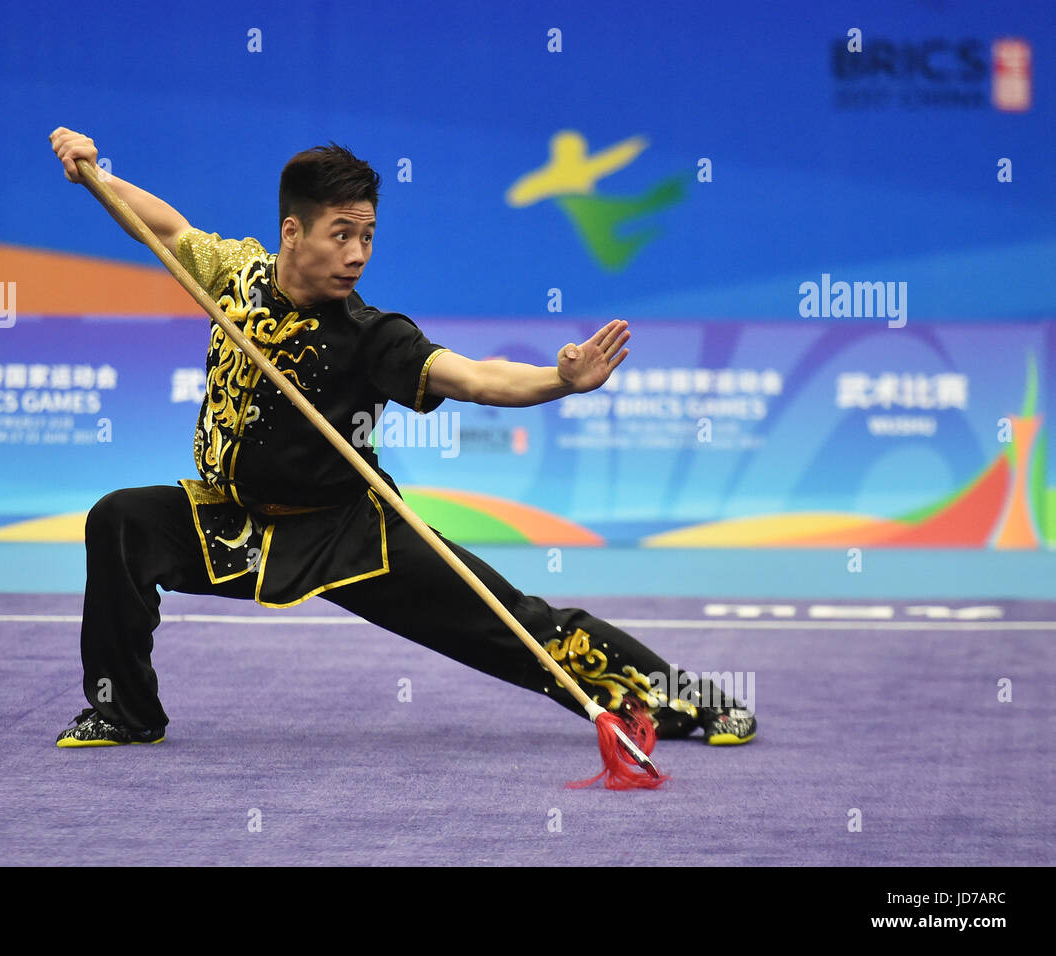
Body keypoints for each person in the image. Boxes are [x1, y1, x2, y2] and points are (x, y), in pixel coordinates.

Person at [47, 127, 756, 750]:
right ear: (292, 231)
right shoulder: (238, 275)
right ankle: (125, 713)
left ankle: (686, 700)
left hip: (350, 533)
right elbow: (165, 231)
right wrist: (96, 176)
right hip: (236, 524)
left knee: (515, 625)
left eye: (368, 237)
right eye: (341, 235)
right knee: (122, 522)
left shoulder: (371, 335)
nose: (357, 254)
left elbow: (474, 377)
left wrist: (558, 381)